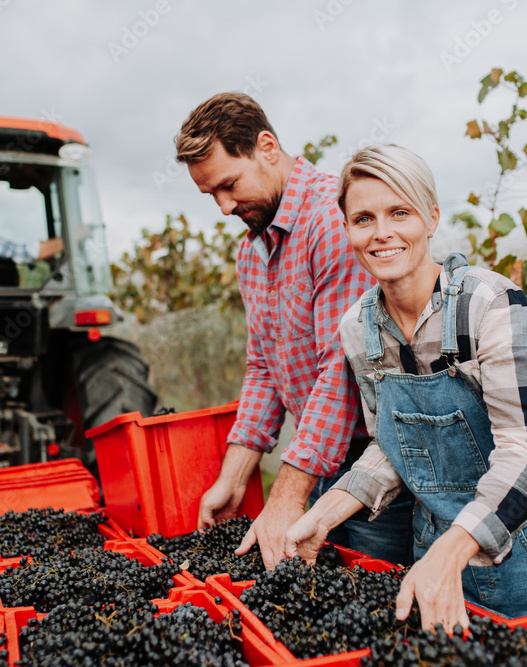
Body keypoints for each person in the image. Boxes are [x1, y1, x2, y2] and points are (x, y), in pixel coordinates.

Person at [283, 144, 527, 651]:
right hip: (440, 552)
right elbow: (393, 447)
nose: (382, 233)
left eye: (400, 213)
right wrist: (325, 513)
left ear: (432, 217)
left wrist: (451, 549)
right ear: (347, 229)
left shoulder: (491, 304)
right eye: (363, 218)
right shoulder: (358, 329)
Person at [175, 93, 414, 568]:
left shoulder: (333, 220)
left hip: (379, 475)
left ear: (266, 147)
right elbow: (264, 367)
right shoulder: (252, 252)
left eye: (228, 184)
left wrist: (285, 497)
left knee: (373, 609)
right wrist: (235, 476)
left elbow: (342, 369)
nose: (223, 207)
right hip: (319, 464)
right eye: (210, 195)